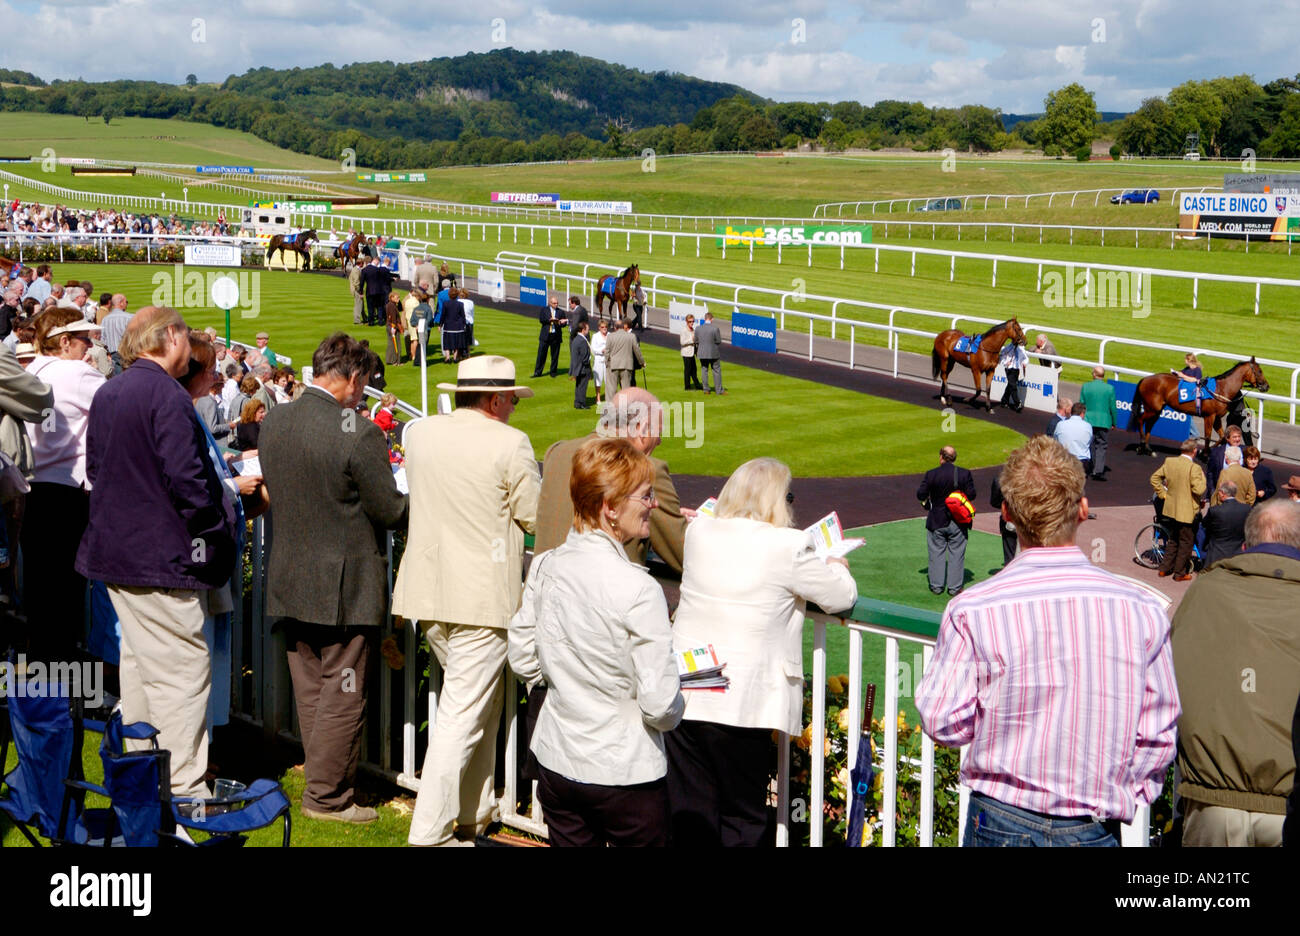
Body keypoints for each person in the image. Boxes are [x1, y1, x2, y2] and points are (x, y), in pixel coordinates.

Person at [917, 435, 1180, 847]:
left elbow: (942, 718)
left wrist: (996, 723)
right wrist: (1124, 793)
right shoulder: (1141, 609)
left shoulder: (974, 608)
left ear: (1006, 513)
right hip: (1090, 820)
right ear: (1083, 509)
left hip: (1001, 815)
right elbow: (1159, 729)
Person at [76, 306, 238, 798]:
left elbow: (99, 470)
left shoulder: (111, 390)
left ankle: (143, 777)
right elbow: (188, 483)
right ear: (170, 337)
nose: (190, 352)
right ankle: (184, 791)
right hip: (161, 561)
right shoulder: (166, 395)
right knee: (182, 676)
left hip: (119, 558)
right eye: (186, 340)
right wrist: (215, 531)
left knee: (141, 670)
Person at [667, 457, 857, 846]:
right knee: (742, 815)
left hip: (688, 690)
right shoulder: (788, 544)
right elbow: (841, 596)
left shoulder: (699, 532)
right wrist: (837, 564)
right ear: (778, 499)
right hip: (742, 699)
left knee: (692, 812)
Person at [259, 333, 408, 823]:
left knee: (312, 689)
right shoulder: (360, 432)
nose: (364, 393)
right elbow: (388, 509)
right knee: (342, 692)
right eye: (363, 383)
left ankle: (321, 782)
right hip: (342, 587)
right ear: (351, 379)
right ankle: (327, 798)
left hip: (289, 575)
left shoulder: (277, 417)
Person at [393, 356, 541, 847]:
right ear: (496, 400)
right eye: (513, 400)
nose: (515, 409)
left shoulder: (420, 433)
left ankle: (473, 815)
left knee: (478, 707)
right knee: (462, 715)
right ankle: (429, 834)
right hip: (480, 599)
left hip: (429, 593)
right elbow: (535, 516)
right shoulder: (509, 442)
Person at [508, 438, 683, 847]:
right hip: (625, 774)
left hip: (558, 760)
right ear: (610, 507)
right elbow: (660, 704)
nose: (653, 505)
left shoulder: (548, 564)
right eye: (645, 496)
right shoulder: (639, 588)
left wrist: (566, 686)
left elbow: (521, 655)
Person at [1172, 499, 1300, 847]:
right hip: (1284, 803)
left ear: (1247, 544)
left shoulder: (1206, 591)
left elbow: (1172, 678)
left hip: (1212, 802)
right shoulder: (1210, 589)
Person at [19, 312, 106, 662]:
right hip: (67, 494)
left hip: (31, 493)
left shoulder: (31, 370)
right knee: (65, 598)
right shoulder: (77, 373)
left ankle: (42, 694)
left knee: (40, 596)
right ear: (65, 341)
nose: (90, 347)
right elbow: (121, 407)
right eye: (84, 339)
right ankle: (60, 692)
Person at [534, 388, 688, 573]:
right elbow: (684, 554)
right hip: (604, 596)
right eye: (658, 433)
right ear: (643, 429)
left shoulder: (557, 452)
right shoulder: (645, 470)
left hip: (541, 592)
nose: (659, 441)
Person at [917, 445, 976, 597]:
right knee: (957, 554)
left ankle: (936, 586)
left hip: (936, 519)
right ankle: (954, 588)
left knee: (936, 552)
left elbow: (920, 494)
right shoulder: (963, 473)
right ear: (954, 458)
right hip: (958, 521)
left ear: (941, 457)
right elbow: (972, 494)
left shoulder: (931, 474)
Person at [1150, 438, 1207, 581]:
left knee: (1173, 539)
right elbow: (1199, 489)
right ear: (1194, 451)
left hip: (1171, 509)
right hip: (1187, 511)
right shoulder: (1195, 468)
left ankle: (1164, 568)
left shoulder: (1170, 462)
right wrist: (1203, 479)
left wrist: (1164, 495)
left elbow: (1154, 479)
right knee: (1186, 542)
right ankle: (1179, 573)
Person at [1200, 481, 1251, 568]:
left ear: (1223, 493)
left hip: (1216, 553)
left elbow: (1204, 524)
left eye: (1219, 491)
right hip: (1237, 552)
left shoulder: (1215, 510)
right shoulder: (1246, 509)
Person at [1080, 365, 1118, 481]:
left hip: (1088, 421)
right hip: (1103, 421)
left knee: (1089, 444)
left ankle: (1090, 467)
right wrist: (1114, 422)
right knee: (1101, 445)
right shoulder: (1109, 389)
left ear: (1094, 374)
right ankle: (1098, 470)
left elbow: (1081, 404)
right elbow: (1113, 408)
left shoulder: (1086, 387)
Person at [604, 318, 644, 398]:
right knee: (625, 390)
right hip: (626, 365)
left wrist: (607, 363)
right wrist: (642, 362)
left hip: (613, 365)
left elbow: (607, 352)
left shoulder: (610, 336)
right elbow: (637, 351)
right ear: (623, 326)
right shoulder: (631, 336)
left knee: (611, 389)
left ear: (615, 327)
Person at [1053, 401, 1093, 478]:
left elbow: (1055, 439)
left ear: (1071, 412)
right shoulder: (1088, 426)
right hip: (1081, 462)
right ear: (1082, 414)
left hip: (1064, 460)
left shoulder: (1061, 424)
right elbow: (1089, 442)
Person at [532, 295, 566, 378]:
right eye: (554, 303)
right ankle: (538, 372)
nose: (556, 305)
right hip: (545, 336)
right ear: (550, 303)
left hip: (556, 336)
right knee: (541, 355)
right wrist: (549, 320)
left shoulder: (561, 312)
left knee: (555, 356)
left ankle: (553, 372)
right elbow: (541, 320)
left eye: (557, 303)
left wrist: (560, 323)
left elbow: (564, 323)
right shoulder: (544, 310)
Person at [988, 473, 1017, 569]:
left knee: (1009, 553)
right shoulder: (1032, 476)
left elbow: (994, 502)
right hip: (1027, 520)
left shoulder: (1000, 479)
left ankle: (1011, 577)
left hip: (1009, 520)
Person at [1206, 425, 1244, 494]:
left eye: (1239, 436)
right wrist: (1212, 492)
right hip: (1220, 493)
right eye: (1234, 437)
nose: (1237, 439)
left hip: (1239, 493)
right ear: (1227, 438)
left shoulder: (1245, 450)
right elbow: (1210, 473)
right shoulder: (1216, 452)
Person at [695, 311, 724, 395]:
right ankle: (718, 391)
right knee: (716, 371)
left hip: (702, 353)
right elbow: (718, 341)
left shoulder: (698, 328)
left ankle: (706, 390)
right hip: (713, 353)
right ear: (712, 319)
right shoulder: (715, 328)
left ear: (705, 319)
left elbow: (696, 341)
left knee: (704, 370)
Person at [997, 340, 1027, 412]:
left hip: (1016, 369)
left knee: (1010, 385)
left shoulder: (1021, 348)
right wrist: (1004, 362)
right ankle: (1017, 403)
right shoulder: (1008, 347)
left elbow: (1026, 358)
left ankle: (1004, 401)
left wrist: (1025, 363)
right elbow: (1001, 355)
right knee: (1013, 385)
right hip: (1009, 368)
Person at [440, 287, 467, 363]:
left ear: (449, 295)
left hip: (448, 326)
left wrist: (440, 324)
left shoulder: (446, 303)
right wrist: (464, 324)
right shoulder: (460, 304)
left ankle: (448, 357)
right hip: (458, 327)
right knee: (457, 343)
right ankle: (455, 358)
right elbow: (463, 316)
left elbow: (443, 315)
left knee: (447, 342)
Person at [569, 320, 592, 409]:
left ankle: (577, 402)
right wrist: (587, 363)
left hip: (577, 367)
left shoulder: (576, 339)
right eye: (587, 329)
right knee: (582, 386)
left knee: (578, 385)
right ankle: (581, 403)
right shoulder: (582, 340)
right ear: (583, 329)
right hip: (583, 367)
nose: (588, 331)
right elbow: (585, 356)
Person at [680, 313, 703, 391]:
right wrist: (692, 340)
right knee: (688, 370)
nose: (692, 323)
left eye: (693, 321)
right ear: (686, 321)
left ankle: (697, 384)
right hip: (686, 353)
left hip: (692, 353)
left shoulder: (693, 330)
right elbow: (682, 342)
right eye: (690, 321)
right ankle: (687, 386)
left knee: (694, 370)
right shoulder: (684, 330)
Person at [590, 319, 609, 405]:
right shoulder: (595, 336)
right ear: (599, 328)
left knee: (608, 380)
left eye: (605, 327)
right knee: (598, 380)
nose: (604, 328)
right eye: (602, 327)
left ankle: (609, 397)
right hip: (598, 360)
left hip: (608, 361)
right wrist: (601, 350)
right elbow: (593, 349)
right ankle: (598, 398)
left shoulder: (610, 335)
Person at [348, 257, 365, 326]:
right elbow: (356, 283)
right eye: (363, 263)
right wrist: (360, 292)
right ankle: (357, 320)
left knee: (361, 304)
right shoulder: (356, 270)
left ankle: (365, 317)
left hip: (355, 289)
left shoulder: (356, 269)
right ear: (360, 263)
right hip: (356, 290)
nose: (363, 264)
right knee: (358, 305)